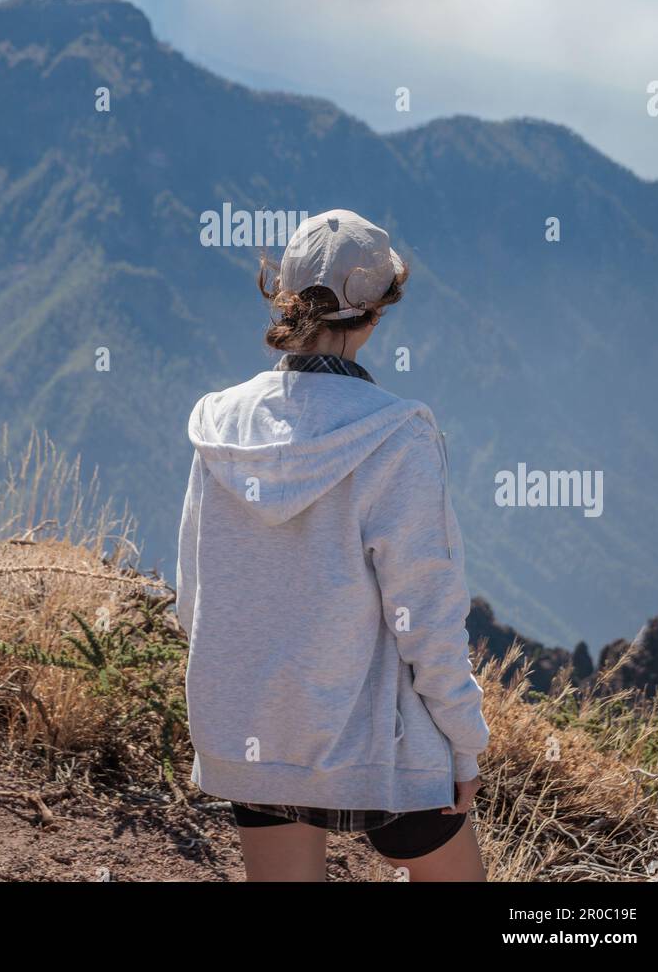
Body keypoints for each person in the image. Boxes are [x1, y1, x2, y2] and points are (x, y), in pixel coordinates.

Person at [175, 209, 489, 882]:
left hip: (256, 731)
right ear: (376, 313)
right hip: (379, 741)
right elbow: (426, 619)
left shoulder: (219, 426)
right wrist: (464, 745)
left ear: (284, 296)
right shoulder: (396, 437)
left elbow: (193, 601)